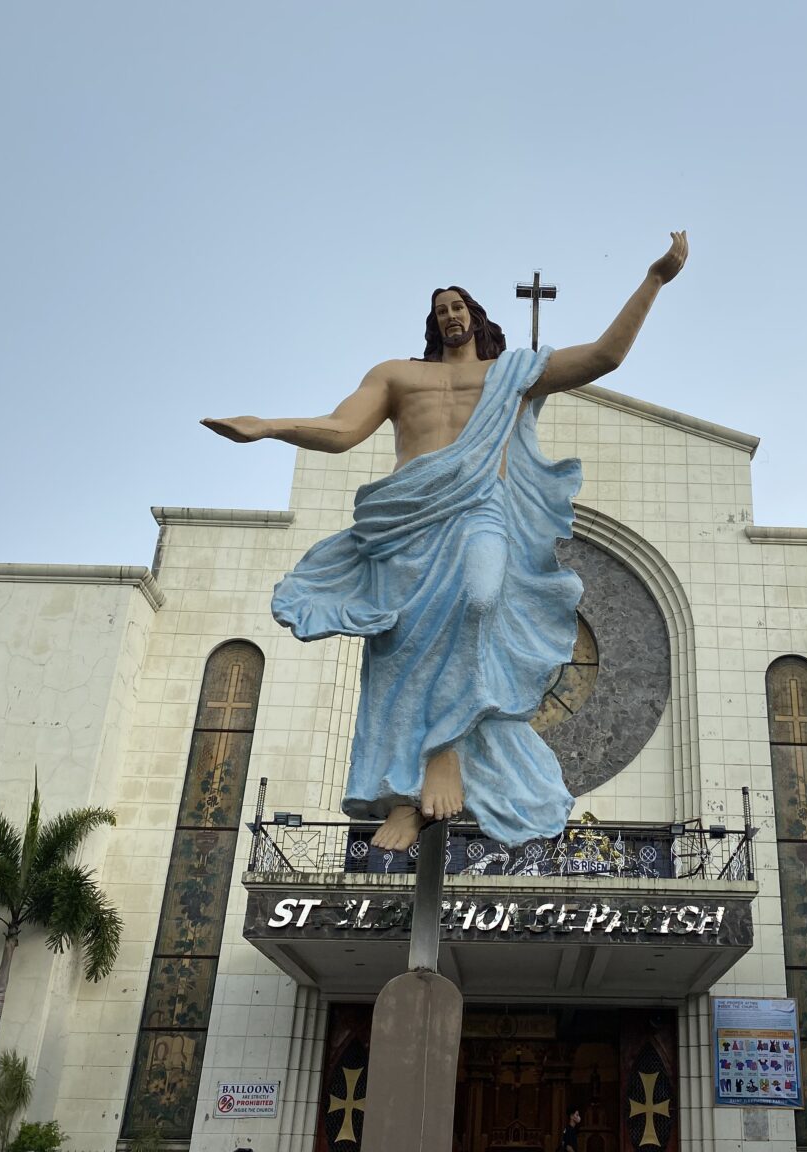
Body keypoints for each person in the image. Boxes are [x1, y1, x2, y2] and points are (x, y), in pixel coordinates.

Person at [204, 233, 688, 850]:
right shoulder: (396, 375)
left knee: (482, 598)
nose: (450, 315)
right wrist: (268, 427)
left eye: (458, 306)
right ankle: (406, 799)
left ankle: (446, 755)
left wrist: (655, 279)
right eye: (440, 310)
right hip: (410, 519)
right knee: (402, 658)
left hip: (480, 508)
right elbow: (342, 429)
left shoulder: (514, 375)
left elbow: (603, 357)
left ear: (477, 317)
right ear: (432, 324)